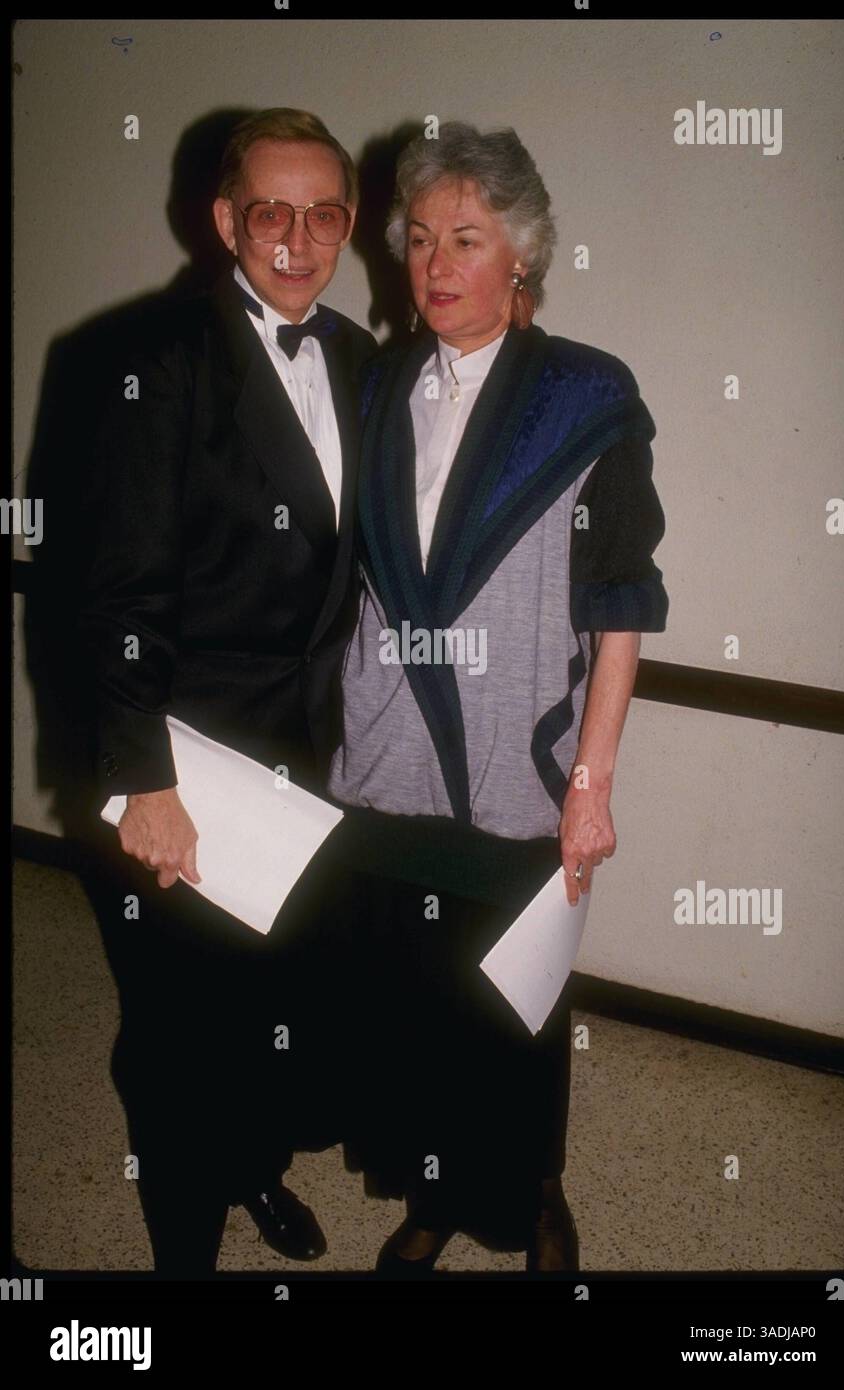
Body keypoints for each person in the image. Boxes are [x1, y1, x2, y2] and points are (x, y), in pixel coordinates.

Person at [318, 120, 670, 1273]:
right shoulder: (375, 388)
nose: (432, 262)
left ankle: (532, 1190)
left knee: (514, 1005)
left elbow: (618, 602)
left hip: (518, 764)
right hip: (387, 753)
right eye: (417, 237)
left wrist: (591, 783)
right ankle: (433, 1194)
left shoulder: (584, 397)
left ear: (519, 256)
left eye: (463, 237)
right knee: (412, 1003)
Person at [78, 107, 377, 1275]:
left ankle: (253, 1162)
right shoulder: (149, 358)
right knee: (175, 1036)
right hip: (187, 770)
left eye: (322, 215)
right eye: (270, 212)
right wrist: (141, 782)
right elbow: (116, 594)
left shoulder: (358, 358)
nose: (296, 239)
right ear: (223, 220)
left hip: (315, 768)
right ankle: (182, 1255)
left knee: (272, 1011)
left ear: (348, 225)